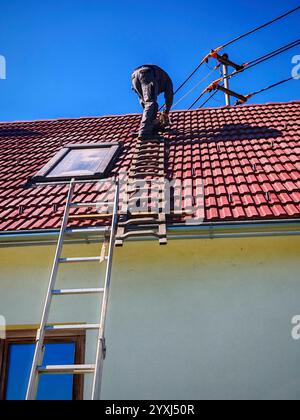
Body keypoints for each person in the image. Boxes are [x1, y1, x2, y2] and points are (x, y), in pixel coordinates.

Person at [131, 65, 174, 140]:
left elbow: (145, 105)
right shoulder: (168, 82)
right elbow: (169, 96)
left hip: (134, 77)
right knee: (151, 103)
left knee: (148, 104)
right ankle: (144, 132)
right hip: (146, 74)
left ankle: (150, 128)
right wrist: (166, 112)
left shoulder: (162, 79)